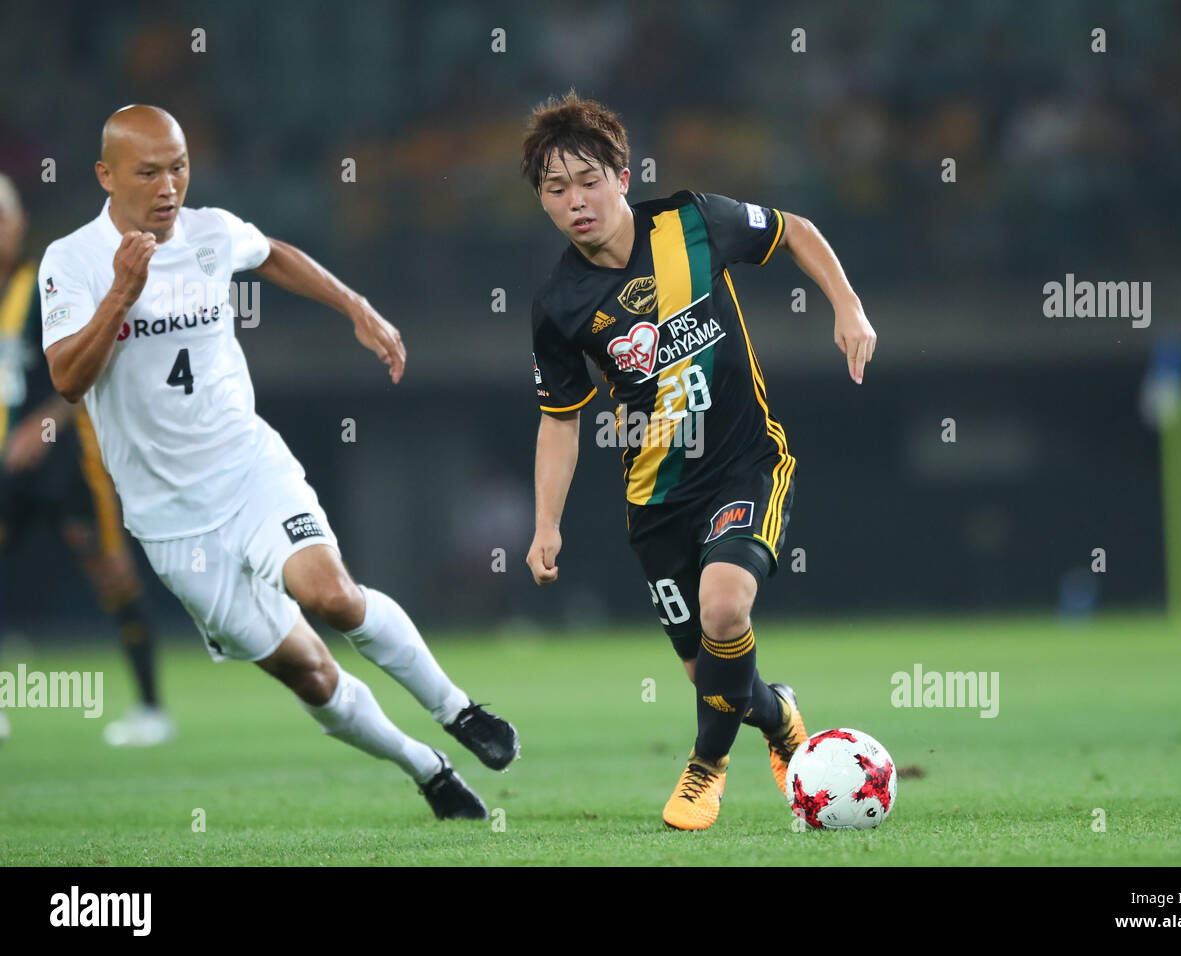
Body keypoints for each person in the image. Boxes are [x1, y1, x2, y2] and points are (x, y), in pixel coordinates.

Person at [39, 105, 518, 818]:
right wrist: (120, 293)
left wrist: (355, 305)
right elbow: (69, 380)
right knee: (310, 672)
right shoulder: (71, 261)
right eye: (149, 172)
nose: (169, 186)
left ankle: (457, 710)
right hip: (172, 523)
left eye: (179, 167)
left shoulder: (210, 231)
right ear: (107, 175)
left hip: (247, 467)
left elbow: (271, 253)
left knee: (333, 596)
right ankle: (426, 768)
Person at [522, 92, 876, 830]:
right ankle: (780, 720)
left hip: (746, 464)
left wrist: (847, 304)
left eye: (588, 181)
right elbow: (561, 419)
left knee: (725, 606)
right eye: (556, 190)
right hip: (656, 499)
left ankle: (704, 769)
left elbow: (795, 230)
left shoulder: (695, 222)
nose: (576, 202)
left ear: (622, 175)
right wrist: (545, 524)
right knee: (710, 671)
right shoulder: (559, 304)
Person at [0, 171, 174, 747]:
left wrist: (43, 425)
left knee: (110, 570)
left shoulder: (46, 281)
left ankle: (151, 709)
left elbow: (82, 364)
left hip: (66, 456)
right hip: (5, 463)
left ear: (19, 223)